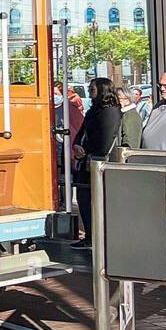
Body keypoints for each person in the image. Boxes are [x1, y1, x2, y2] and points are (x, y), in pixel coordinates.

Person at [71, 77, 122, 249]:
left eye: (92, 87)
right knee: (84, 198)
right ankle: (90, 236)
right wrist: (77, 145)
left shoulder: (110, 111)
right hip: (86, 161)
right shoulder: (94, 109)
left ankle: (97, 238)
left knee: (94, 200)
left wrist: (87, 150)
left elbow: (105, 139)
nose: (90, 89)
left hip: (96, 162)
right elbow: (82, 131)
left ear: (102, 89)